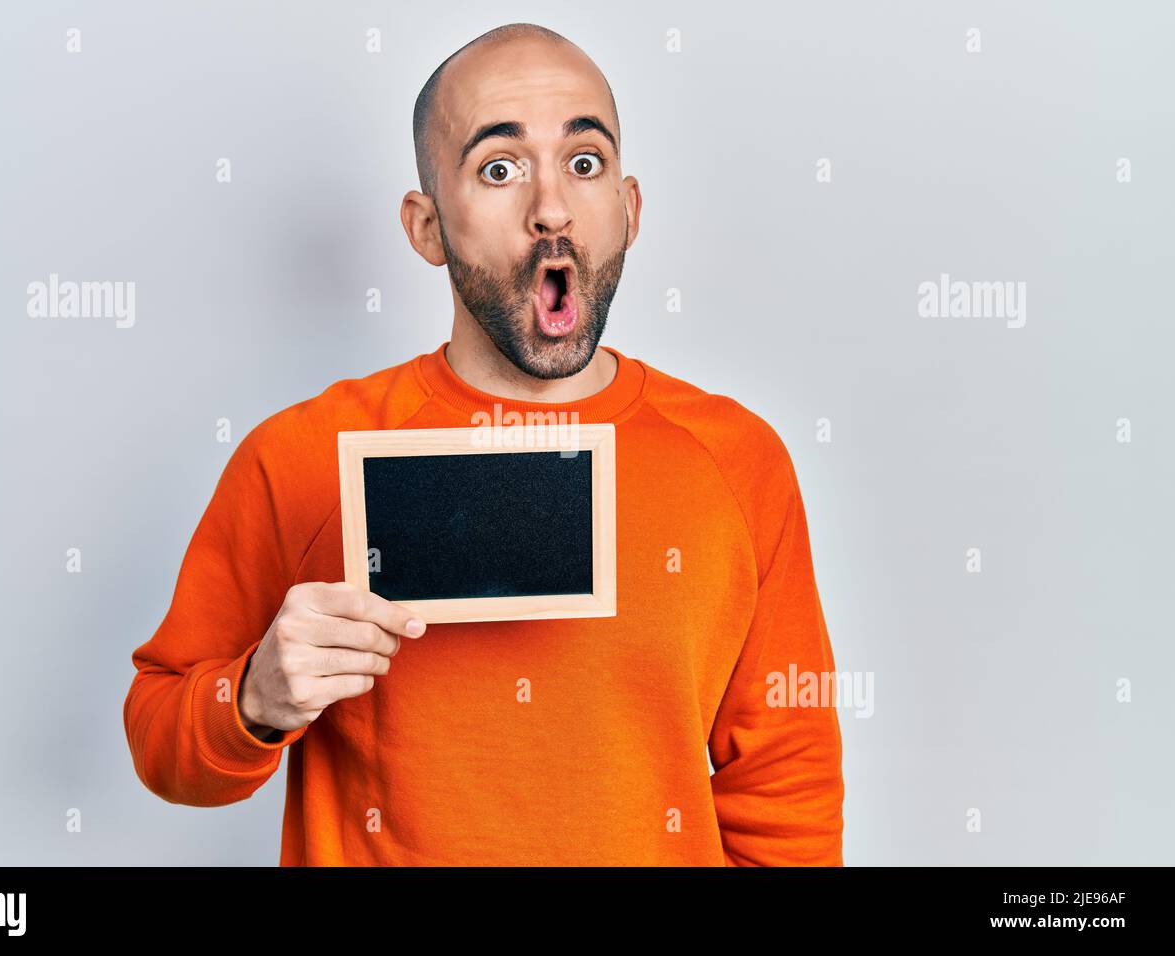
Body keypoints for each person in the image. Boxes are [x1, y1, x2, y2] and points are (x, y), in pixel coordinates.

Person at [123, 22, 844, 866]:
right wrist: (252, 696)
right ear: (426, 228)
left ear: (629, 208)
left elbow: (786, 790)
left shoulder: (736, 459)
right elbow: (160, 742)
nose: (550, 209)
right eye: (498, 169)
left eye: (584, 163)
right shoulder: (301, 457)